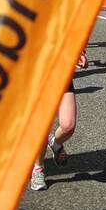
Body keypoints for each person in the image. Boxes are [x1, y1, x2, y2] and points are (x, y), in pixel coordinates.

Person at [29, 46, 88, 191]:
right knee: (42, 125)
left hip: (61, 72)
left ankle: (55, 144)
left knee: (68, 126)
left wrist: (79, 52)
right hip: (35, 74)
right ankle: (38, 168)